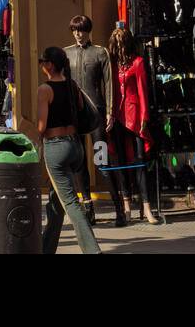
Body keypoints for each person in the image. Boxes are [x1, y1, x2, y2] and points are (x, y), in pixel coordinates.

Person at [37, 46, 101, 255]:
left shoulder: (44, 89)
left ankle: (92, 250)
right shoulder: (72, 85)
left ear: (50, 65)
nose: (41, 65)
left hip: (56, 148)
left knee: (71, 203)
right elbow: (81, 110)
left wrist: (31, 138)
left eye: (42, 62)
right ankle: (46, 249)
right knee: (57, 202)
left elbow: (41, 126)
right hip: (75, 146)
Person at [64, 16, 115, 224]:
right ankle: (87, 206)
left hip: (96, 115)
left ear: (88, 31)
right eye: (74, 30)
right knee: (79, 161)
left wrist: (110, 111)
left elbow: (109, 84)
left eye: (81, 30)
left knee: (101, 159)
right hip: (74, 115)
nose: (78, 34)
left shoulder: (100, 52)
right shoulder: (66, 54)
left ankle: (120, 205)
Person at [107, 26, 160, 224]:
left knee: (140, 161)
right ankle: (127, 206)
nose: (119, 47)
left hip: (134, 115)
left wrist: (144, 117)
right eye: (116, 43)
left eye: (121, 43)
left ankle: (146, 207)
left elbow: (142, 91)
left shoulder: (138, 62)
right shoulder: (112, 64)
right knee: (120, 161)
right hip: (117, 115)